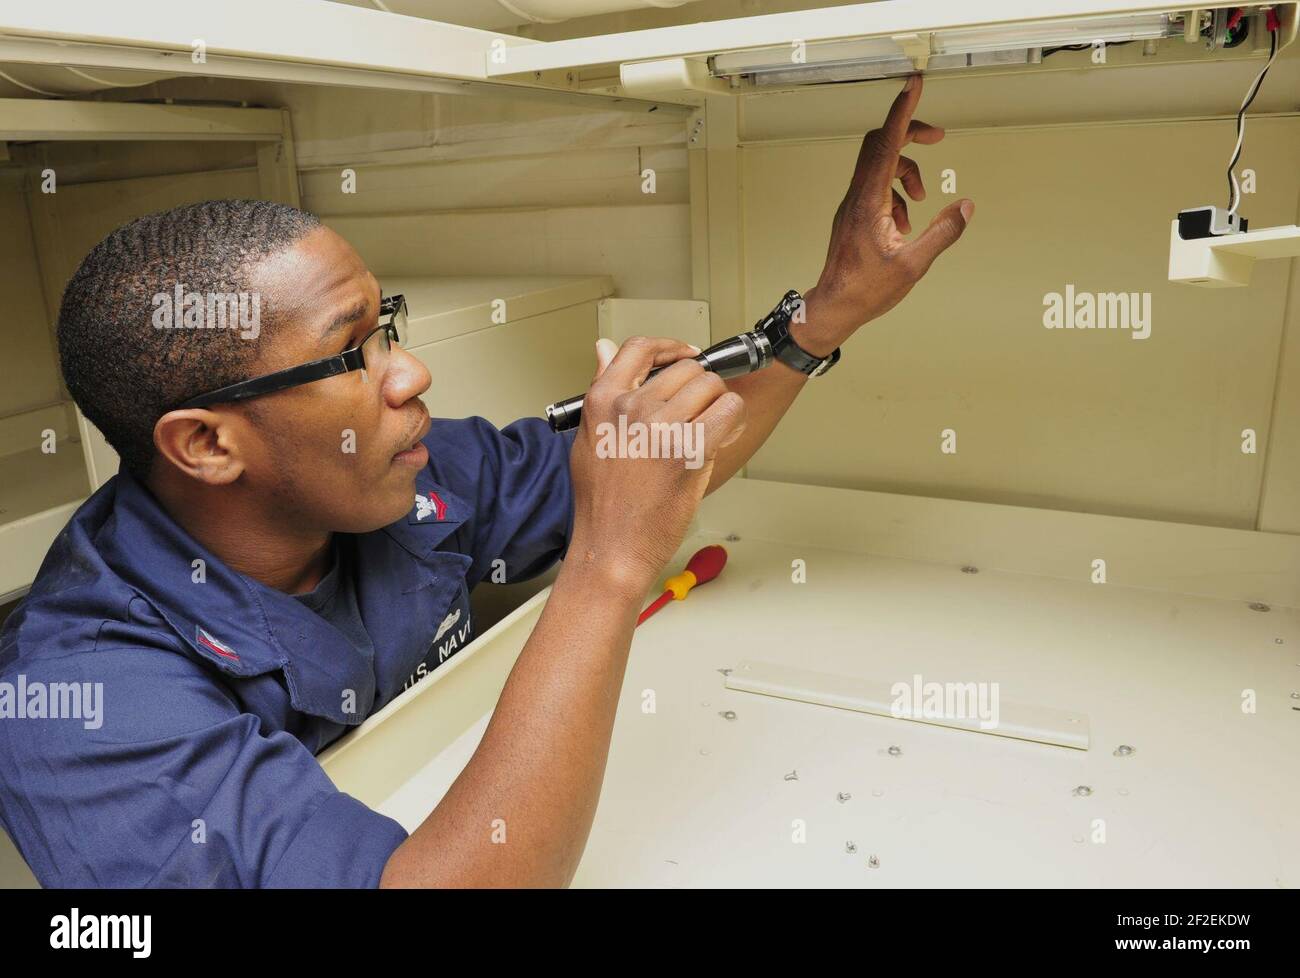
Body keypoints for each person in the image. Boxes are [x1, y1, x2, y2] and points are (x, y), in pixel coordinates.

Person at [0, 75, 969, 887]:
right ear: (208, 445)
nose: (408, 374)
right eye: (349, 355)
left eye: (388, 327)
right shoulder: (82, 704)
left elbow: (661, 463)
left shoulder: (396, 475)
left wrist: (823, 319)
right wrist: (604, 567)